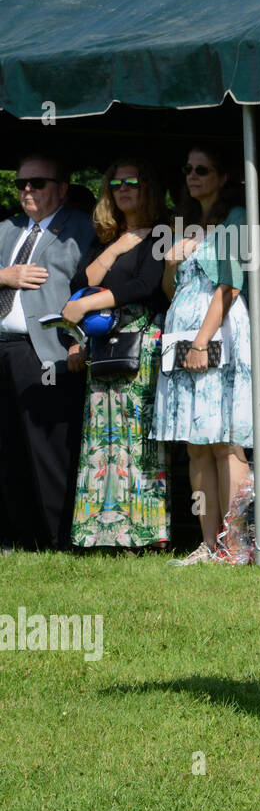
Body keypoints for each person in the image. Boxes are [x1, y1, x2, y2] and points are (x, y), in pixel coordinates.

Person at [151, 146, 253, 557]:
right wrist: (171, 264)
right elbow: (169, 291)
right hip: (183, 333)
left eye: (202, 169)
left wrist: (201, 342)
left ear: (223, 177)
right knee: (196, 443)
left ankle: (236, 544)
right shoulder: (188, 222)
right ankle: (208, 544)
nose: (193, 175)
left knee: (224, 440)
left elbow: (230, 286)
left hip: (218, 333)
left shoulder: (237, 219)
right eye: (188, 168)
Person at [65, 158, 170, 549]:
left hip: (142, 344)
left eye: (133, 182)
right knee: (101, 440)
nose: (123, 188)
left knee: (137, 439)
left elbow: (146, 285)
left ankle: (144, 532)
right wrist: (115, 249)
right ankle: (98, 533)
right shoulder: (106, 236)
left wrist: (90, 304)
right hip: (102, 344)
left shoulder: (163, 230)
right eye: (115, 183)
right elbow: (79, 284)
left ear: (149, 188)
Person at [0, 154, 96, 550]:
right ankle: (14, 536)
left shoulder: (81, 228)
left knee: (50, 447)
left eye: (36, 183)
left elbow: (91, 284)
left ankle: (58, 538)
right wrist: (5, 275)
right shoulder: (6, 228)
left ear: (61, 187)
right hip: (3, 346)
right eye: (21, 182)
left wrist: (80, 339)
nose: (26, 189)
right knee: (6, 448)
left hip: (46, 350)